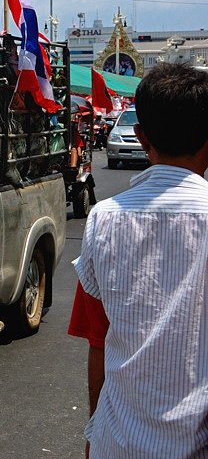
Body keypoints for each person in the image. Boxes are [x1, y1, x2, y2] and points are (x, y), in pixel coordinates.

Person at [68, 62, 208, 458]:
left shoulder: (103, 219)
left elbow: (99, 340)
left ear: (142, 137)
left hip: (117, 444)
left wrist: (94, 437)